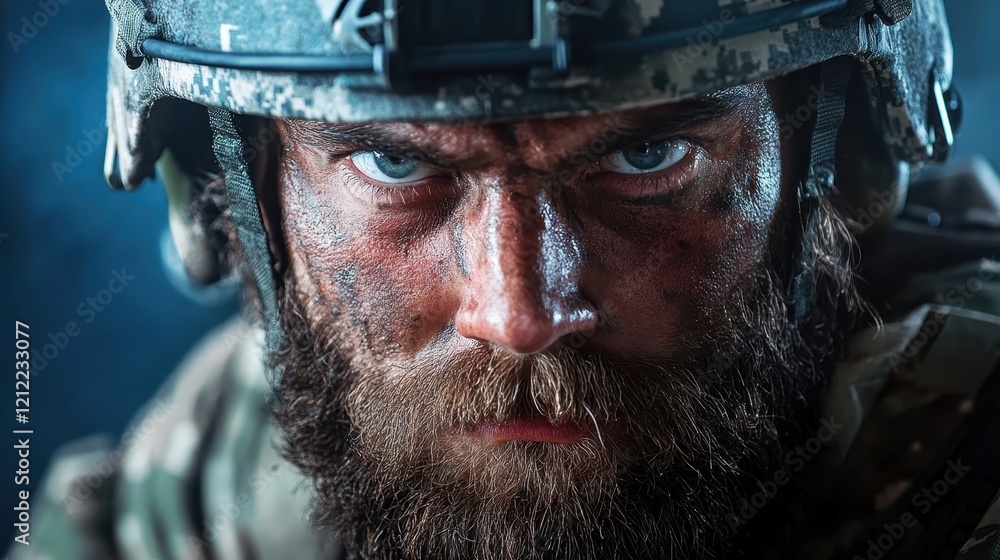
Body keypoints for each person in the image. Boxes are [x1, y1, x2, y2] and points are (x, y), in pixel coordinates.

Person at [15, 0, 1000, 558]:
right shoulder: (193, 498)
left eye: (649, 160)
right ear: (240, 196)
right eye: (397, 167)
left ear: (835, 171)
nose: (520, 311)